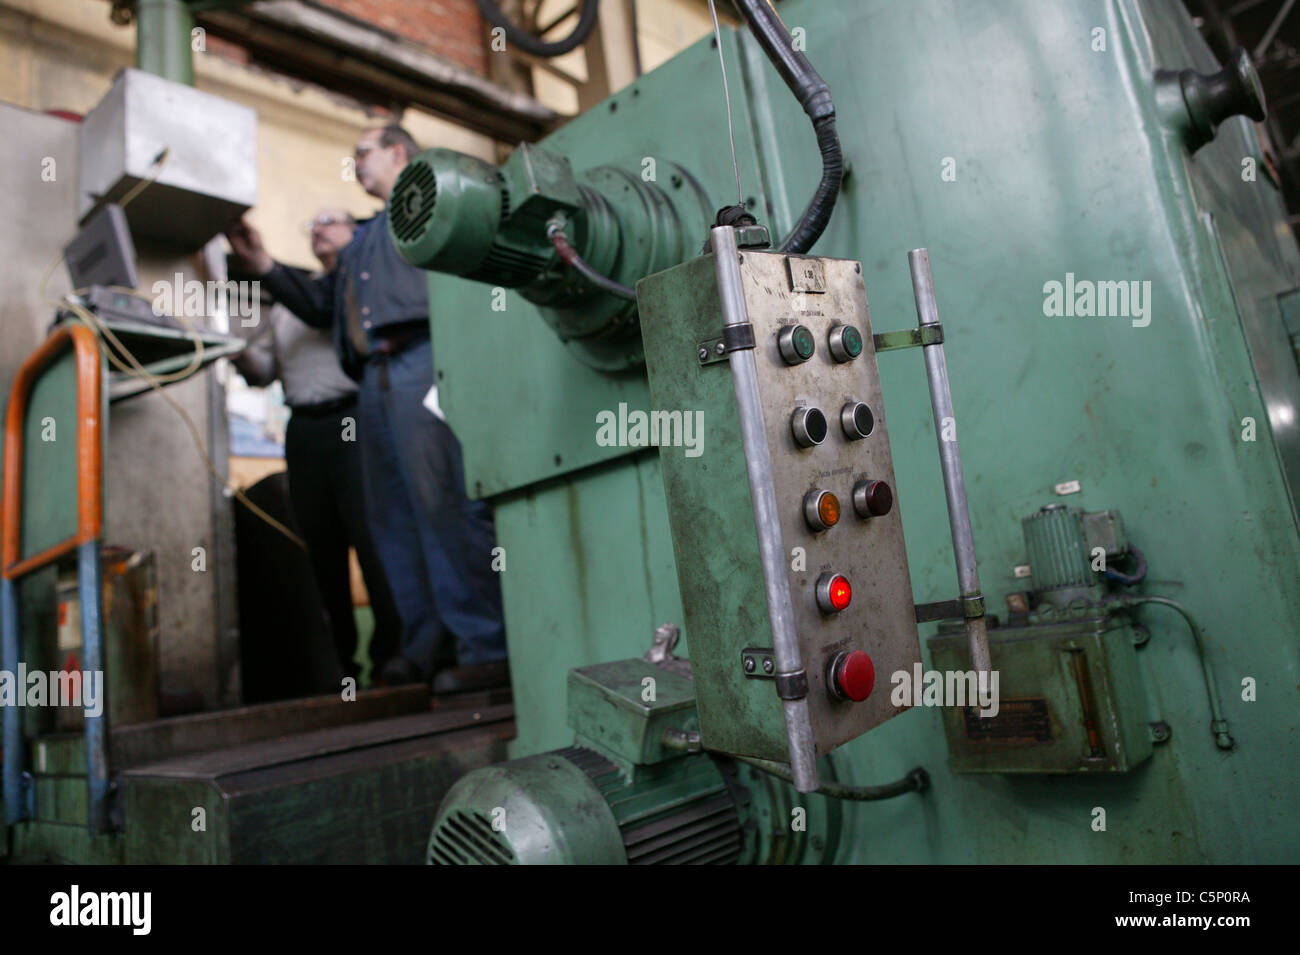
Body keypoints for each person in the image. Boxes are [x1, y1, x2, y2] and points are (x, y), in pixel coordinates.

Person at [225, 125, 508, 693]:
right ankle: (423, 649)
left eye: (363, 151)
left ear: (399, 153)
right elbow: (316, 303)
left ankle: (485, 647)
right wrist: (261, 262)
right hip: (373, 381)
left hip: (420, 359)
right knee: (392, 524)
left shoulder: (425, 211)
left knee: (442, 503)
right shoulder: (363, 247)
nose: (354, 162)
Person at [229, 208, 402, 685]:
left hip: (352, 419)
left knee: (372, 540)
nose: (318, 227)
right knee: (320, 548)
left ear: (355, 232)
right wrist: (232, 346)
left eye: (330, 219)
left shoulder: (348, 287)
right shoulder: (287, 302)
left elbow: (318, 307)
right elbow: (262, 371)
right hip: (303, 428)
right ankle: (339, 669)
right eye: (313, 222)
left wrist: (263, 264)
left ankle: (395, 659)